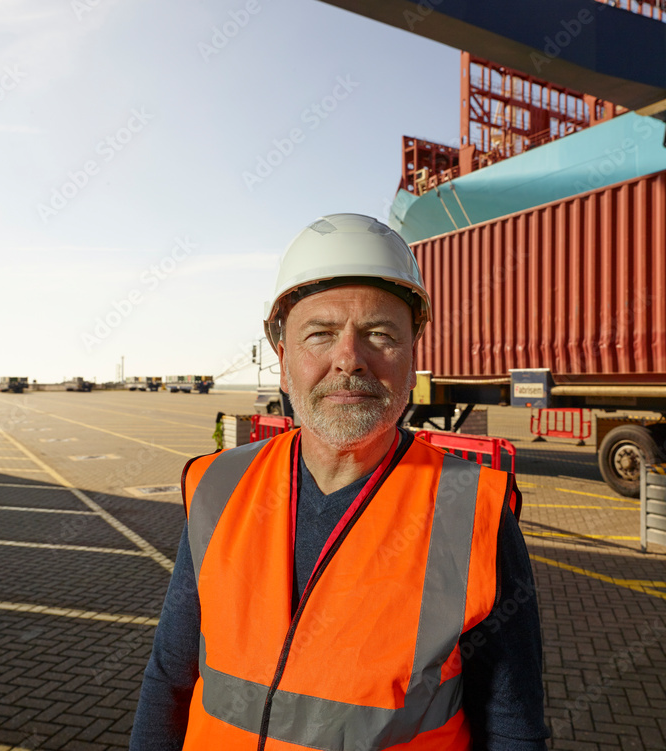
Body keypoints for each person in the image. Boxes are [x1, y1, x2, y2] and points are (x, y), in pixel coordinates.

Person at [129, 213, 548, 750]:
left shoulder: (473, 515)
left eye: (380, 334)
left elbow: (512, 728)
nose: (349, 358)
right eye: (320, 334)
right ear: (283, 362)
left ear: (412, 357)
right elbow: (169, 678)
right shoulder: (219, 486)